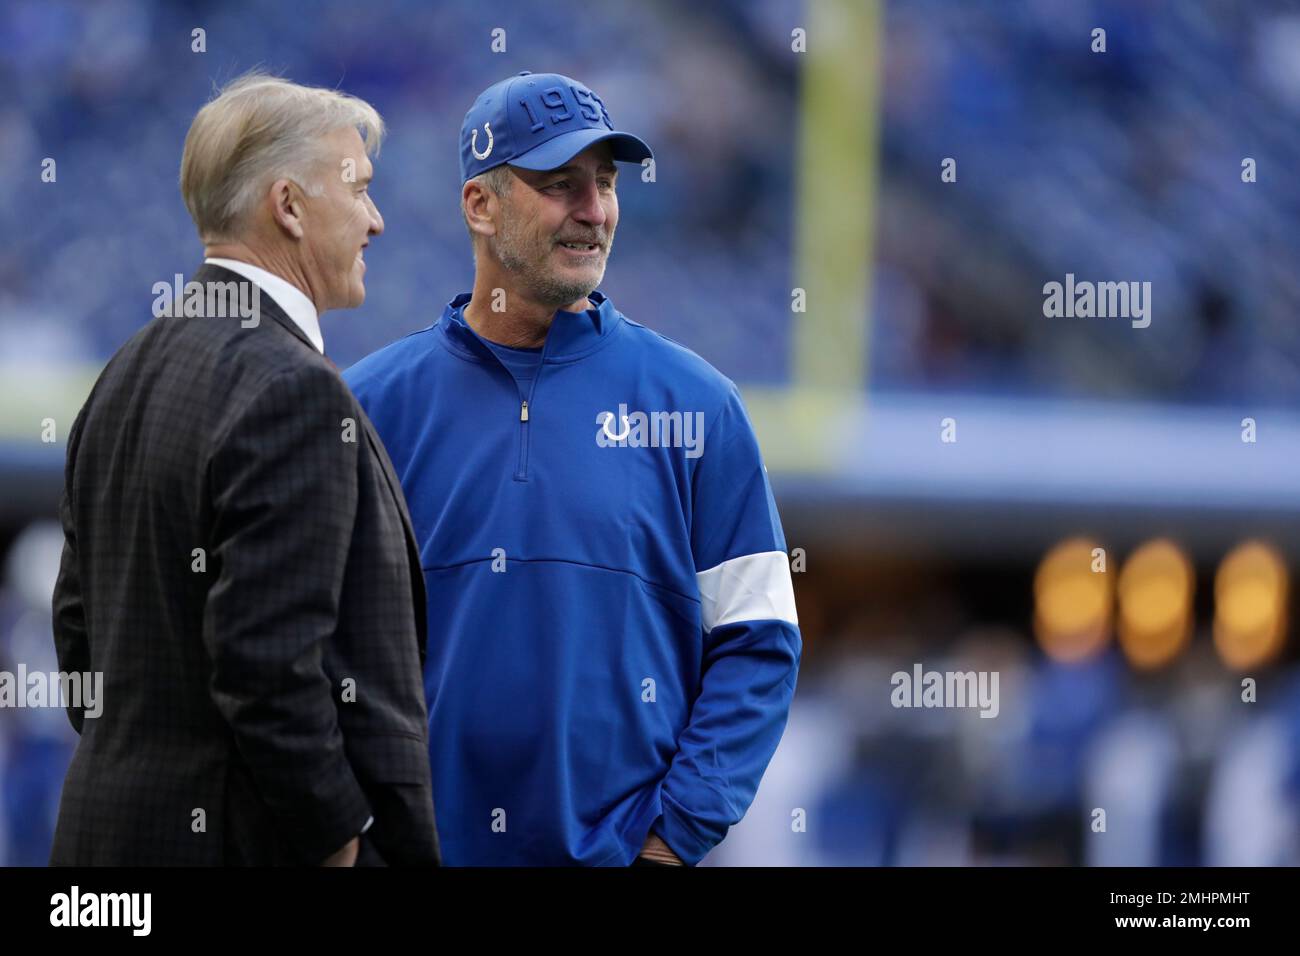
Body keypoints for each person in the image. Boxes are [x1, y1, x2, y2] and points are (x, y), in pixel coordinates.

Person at [344, 71, 800, 865]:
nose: (594, 210)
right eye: (560, 185)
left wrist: (671, 841)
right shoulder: (369, 405)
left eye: (606, 182)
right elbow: (314, 650)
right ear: (479, 205)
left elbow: (759, 643)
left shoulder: (698, 405)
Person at [50, 72, 439, 866]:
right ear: (289, 206)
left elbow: (78, 639)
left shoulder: (125, 368)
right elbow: (267, 667)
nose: (377, 220)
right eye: (359, 190)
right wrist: (336, 839)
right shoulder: (291, 388)